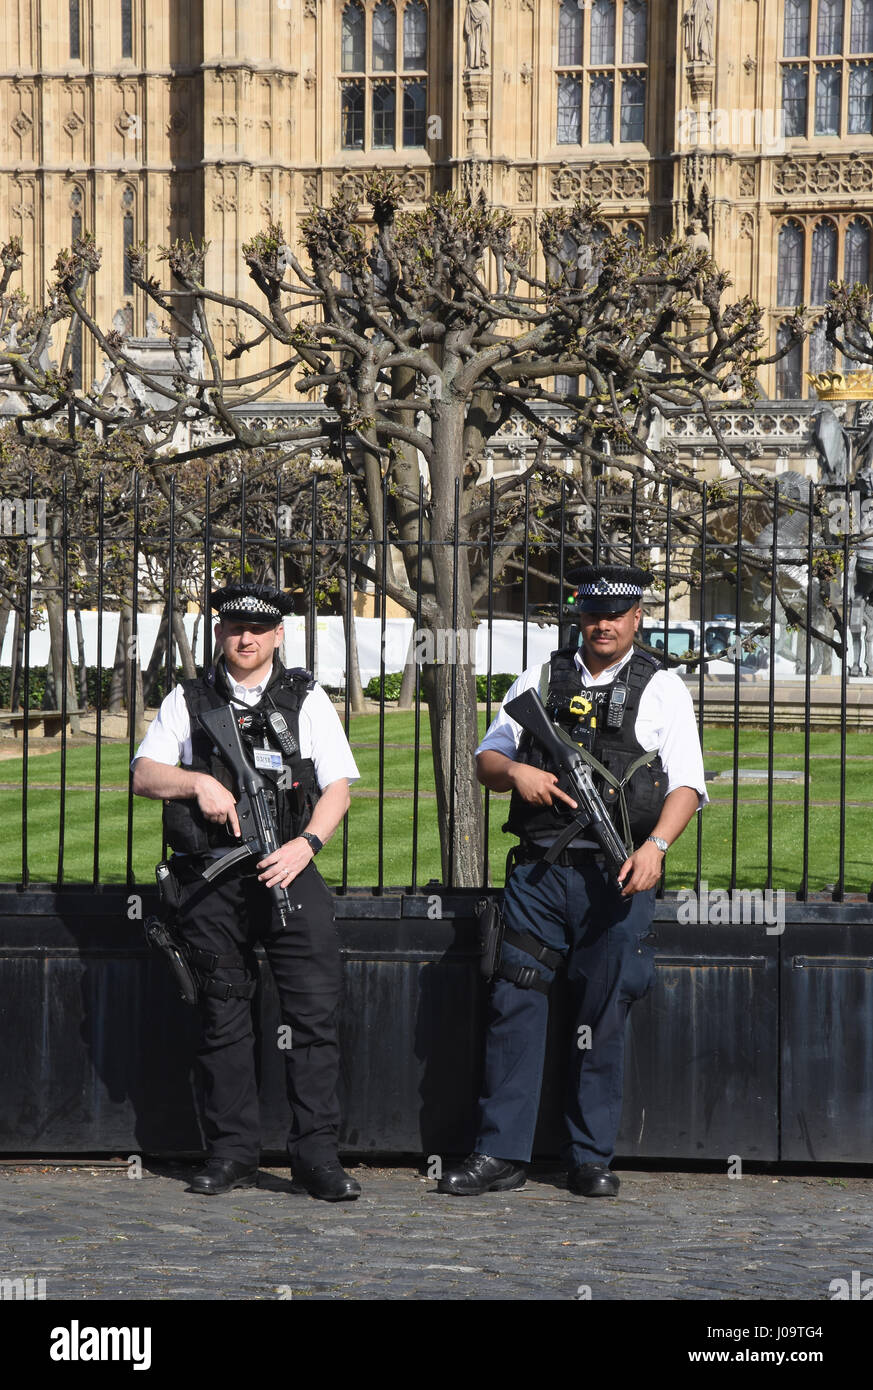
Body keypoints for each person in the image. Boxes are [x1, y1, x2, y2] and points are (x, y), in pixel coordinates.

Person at [438, 564, 706, 1198]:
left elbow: (687, 783)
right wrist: (518, 776)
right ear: (578, 616)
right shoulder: (541, 678)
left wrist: (657, 848)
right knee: (515, 1006)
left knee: (604, 1013)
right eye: (592, 613)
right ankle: (500, 1153)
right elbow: (487, 757)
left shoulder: (663, 688)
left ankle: (589, 1157)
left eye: (616, 615)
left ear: (637, 618)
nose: (603, 624)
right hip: (541, 874)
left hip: (617, 876)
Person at [132, 583, 361, 1200]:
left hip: (289, 867)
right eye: (235, 626)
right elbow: (144, 774)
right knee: (222, 1011)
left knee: (313, 1012)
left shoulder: (305, 697)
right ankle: (231, 1152)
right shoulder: (189, 698)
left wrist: (307, 844)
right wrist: (196, 784)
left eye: (259, 629)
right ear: (221, 632)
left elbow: (338, 784)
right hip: (212, 876)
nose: (246, 637)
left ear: (278, 635)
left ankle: (316, 1157)